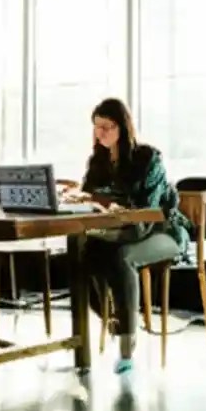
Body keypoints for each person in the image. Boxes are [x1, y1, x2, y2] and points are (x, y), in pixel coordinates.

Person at [79, 98, 191, 375]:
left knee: (121, 257)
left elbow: (148, 212)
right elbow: (88, 196)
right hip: (121, 231)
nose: (100, 133)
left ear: (123, 127)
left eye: (107, 126)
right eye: (96, 127)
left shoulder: (147, 158)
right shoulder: (97, 161)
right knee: (82, 255)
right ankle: (113, 319)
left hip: (163, 231)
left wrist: (109, 205)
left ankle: (127, 346)